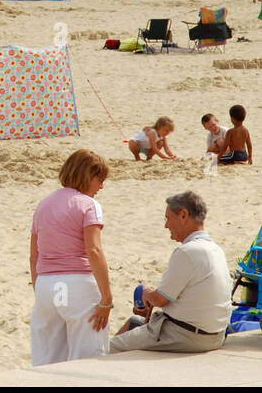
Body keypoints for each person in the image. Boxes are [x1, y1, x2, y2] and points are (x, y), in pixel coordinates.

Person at [109, 192, 230, 354]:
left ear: (183, 215)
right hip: (215, 336)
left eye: (168, 218)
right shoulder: (216, 250)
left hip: (186, 336)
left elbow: (160, 300)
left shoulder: (187, 252)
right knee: (135, 322)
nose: (166, 226)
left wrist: (147, 294)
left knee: (108, 348)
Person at [29, 149, 113, 365]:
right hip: (78, 284)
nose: (101, 187)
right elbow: (94, 250)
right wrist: (107, 298)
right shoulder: (88, 205)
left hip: (47, 285)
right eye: (100, 180)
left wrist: (39, 288)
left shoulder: (43, 205)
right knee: (88, 358)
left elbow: (34, 255)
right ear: (87, 176)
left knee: (47, 358)